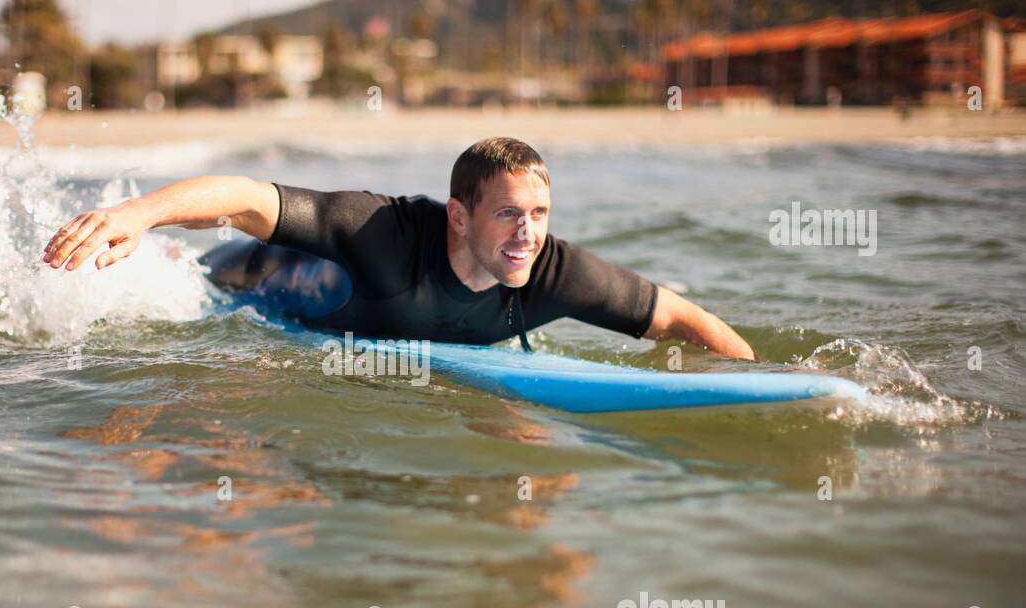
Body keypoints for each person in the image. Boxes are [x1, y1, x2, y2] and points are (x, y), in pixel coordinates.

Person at [42, 136, 755, 359]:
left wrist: (751, 386)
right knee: (198, 270)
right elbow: (252, 198)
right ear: (458, 214)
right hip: (256, 285)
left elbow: (679, 317)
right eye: (508, 214)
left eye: (539, 213)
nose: (528, 233)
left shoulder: (552, 272)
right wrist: (140, 214)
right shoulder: (380, 231)